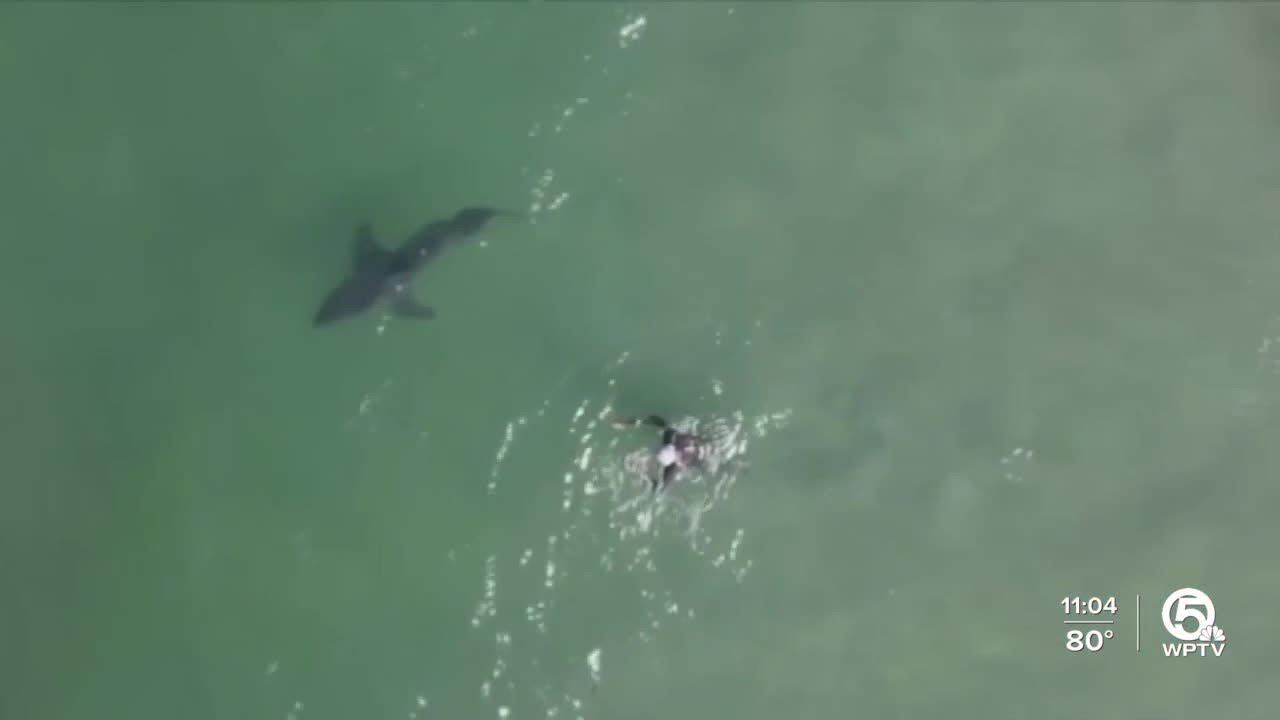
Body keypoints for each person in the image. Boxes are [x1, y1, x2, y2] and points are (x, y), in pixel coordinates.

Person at [610, 413, 709, 492]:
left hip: (698, 454)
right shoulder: (671, 436)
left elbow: (661, 486)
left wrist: (647, 478)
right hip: (698, 447)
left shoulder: (673, 466)